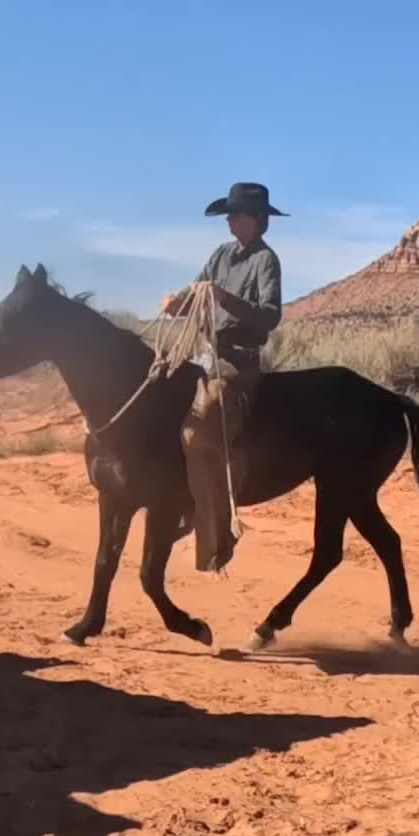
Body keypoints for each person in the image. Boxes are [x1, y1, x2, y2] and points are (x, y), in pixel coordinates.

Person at [161, 182, 286, 573]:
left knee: (198, 431)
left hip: (238, 362)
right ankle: (176, 499)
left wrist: (224, 298)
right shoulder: (220, 255)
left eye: (236, 214)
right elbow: (197, 291)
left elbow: (269, 315)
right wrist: (177, 302)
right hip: (205, 354)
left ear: (256, 220)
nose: (230, 220)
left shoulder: (266, 261)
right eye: (229, 214)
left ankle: (213, 537)